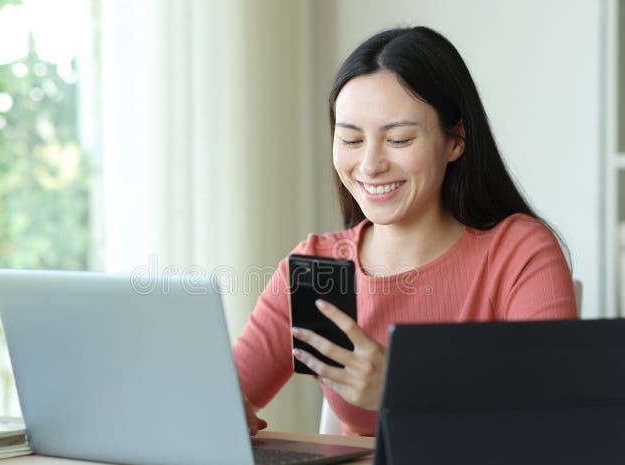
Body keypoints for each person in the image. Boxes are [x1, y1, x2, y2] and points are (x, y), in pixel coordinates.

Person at [234, 26, 578, 437]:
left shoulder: (518, 251)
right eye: (351, 139)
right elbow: (228, 395)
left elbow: (556, 414)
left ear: (456, 140)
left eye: (398, 139)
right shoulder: (318, 268)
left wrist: (401, 389)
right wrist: (220, 413)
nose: (370, 164)